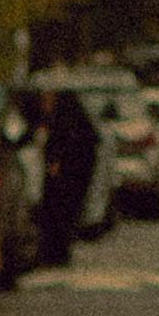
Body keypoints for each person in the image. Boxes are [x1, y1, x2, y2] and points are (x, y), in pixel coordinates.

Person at [37, 78, 99, 266]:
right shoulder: (62, 117)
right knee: (57, 212)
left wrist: (58, 162)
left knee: (60, 211)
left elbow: (68, 143)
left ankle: (57, 252)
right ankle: (55, 251)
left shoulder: (67, 119)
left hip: (69, 173)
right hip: (69, 172)